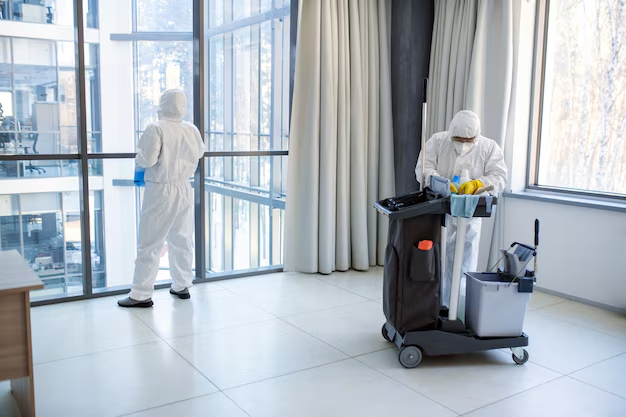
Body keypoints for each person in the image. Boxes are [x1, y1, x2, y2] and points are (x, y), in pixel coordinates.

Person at [118, 89, 205, 308]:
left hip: (160, 190)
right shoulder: (191, 129)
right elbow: (200, 153)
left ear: (162, 104)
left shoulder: (155, 128)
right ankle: (181, 285)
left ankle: (140, 294)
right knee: (182, 238)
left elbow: (146, 160)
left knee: (150, 242)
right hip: (184, 187)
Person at [415, 110, 507, 307]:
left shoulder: (489, 147)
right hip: (440, 213)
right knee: (436, 262)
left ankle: (456, 310)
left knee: (464, 265)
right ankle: (434, 308)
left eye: (468, 140)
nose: (463, 144)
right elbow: (423, 168)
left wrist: (477, 184)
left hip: (470, 216)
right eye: (458, 139)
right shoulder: (438, 141)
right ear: (450, 133)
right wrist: (439, 182)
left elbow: (499, 177)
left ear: (476, 136)